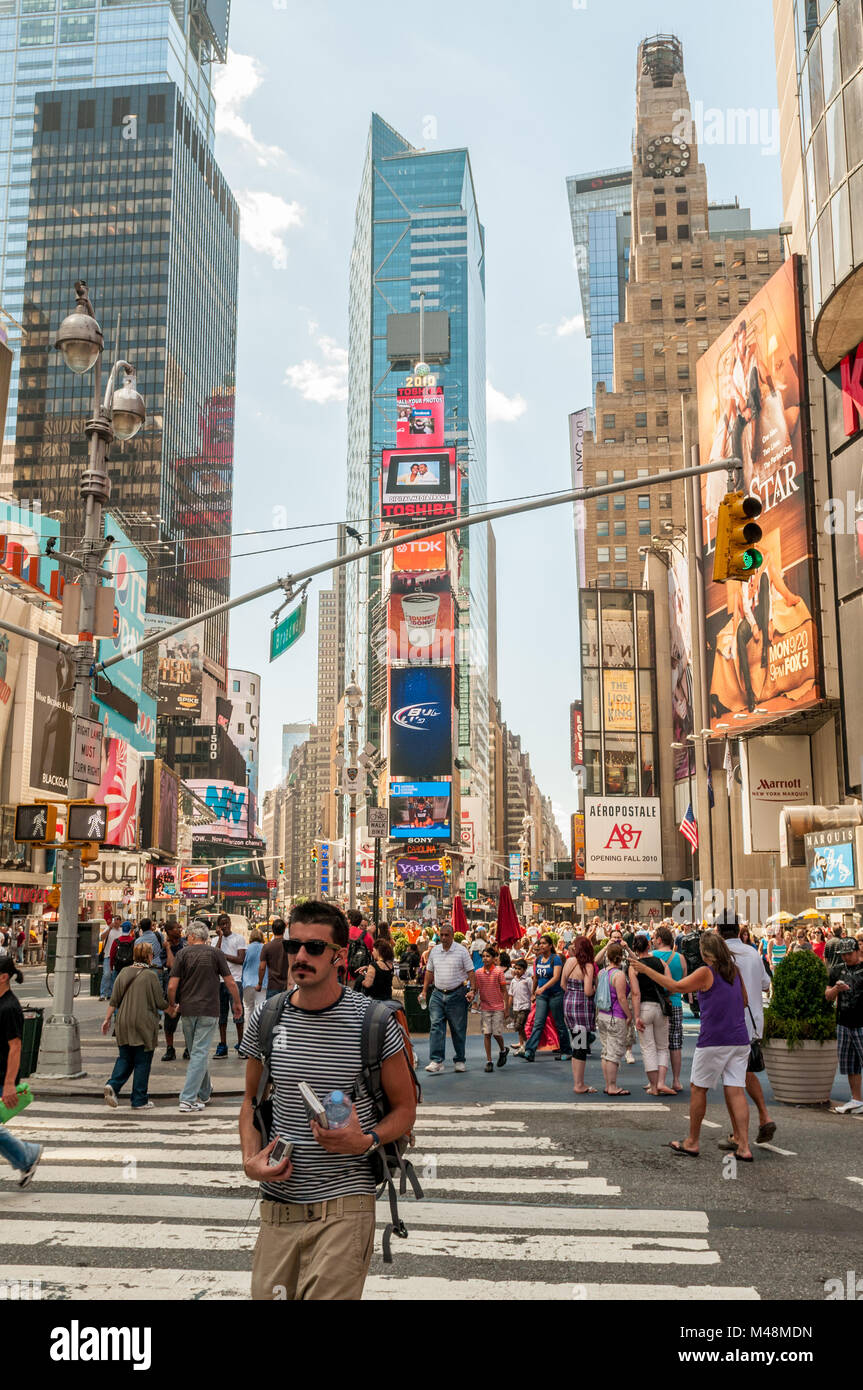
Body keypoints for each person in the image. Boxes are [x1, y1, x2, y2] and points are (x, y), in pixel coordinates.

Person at [239, 901, 416, 1301]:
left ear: (339, 956)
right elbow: (251, 1101)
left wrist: (366, 1140)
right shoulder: (267, 1017)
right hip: (278, 1206)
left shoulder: (372, 1021)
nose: (300, 956)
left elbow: (405, 1110)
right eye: (292, 945)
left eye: (314, 948)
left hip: (346, 1203)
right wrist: (251, 1160)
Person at [629, 932, 753, 1160]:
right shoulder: (734, 971)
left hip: (714, 1040)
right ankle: (744, 1146)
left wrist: (646, 970)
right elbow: (744, 1000)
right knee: (736, 1090)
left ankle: (692, 1141)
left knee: (698, 1088)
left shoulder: (706, 972)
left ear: (705, 953)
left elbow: (675, 986)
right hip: (739, 1038)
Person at [715, 912, 776, 1147]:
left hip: (731, 1024)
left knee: (733, 1080)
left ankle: (739, 1135)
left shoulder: (722, 956)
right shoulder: (751, 951)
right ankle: (763, 1116)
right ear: (738, 929)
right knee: (745, 1073)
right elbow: (765, 983)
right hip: (754, 1022)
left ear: (719, 930)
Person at [167, 922, 242, 1113]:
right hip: (209, 1009)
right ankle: (195, 1095)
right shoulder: (215, 953)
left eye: (187, 936)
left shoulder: (183, 954)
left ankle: (194, 1095)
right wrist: (237, 1002)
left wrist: (172, 1004)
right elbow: (230, 981)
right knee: (198, 1053)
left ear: (192, 936)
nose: (186, 938)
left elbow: (172, 986)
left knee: (196, 1052)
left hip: (188, 1009)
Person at [103, 941, 177, 1111]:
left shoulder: (123, 972)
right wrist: (172, 1010)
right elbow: (160, 1002)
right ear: (148, 956)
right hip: (143, 1022)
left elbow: (114, 1000)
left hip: (123, 1021)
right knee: (142, 1061)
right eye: (151, 954)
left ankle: (113, 1084)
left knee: (125, 1057)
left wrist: (107, 1020)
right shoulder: (150, 975)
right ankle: (139, 1099)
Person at [0, 955, 42, 1187]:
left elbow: (15, 1047)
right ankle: (27, 1156)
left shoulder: (10, 1007)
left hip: (2, 1075)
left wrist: (9, 1084)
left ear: (3, 977)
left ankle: (27, 1156)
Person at [421, 923, 476, 1075]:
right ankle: (437, 1060)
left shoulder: (461, 951)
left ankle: (459, 1060)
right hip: (437, 994)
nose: (444, 938)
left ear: (452, 936)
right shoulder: (435, 951)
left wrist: (472, 990)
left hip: (457, 993)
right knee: (436, 1026)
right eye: (442, 935)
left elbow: (471, 972)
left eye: (447, 935)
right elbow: (429, 972)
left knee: (458, 1028)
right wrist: (424, 991)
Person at [628, 933, 675, 1096]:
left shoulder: (634, 966)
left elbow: (635, 993)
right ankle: (661, 1082)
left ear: (634, 948)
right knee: (662, 1047)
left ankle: (654, 1086)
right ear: (649, 946)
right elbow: (670, 985)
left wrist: (636, 1016)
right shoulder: (660, 962)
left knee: (648, 1048)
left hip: (644, 1007)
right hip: (660, 1007)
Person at [520, 934, 572, 1065]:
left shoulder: (556, 959)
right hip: (542, 996)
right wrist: (533, 993)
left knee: (559, 1023)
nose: (541, 945)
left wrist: (542, 989)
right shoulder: (538, 960)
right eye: (540, 943)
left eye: (543, 943)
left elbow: (556, 977)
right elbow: (536, 978)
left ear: (550, 945)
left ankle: (567, 1051)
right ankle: (530, 1051)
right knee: (538, 1023)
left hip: (555, 994)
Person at [826, 938, 863, 1115]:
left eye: (849, 953)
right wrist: (836, 990)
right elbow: (827, 996)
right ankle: (856, 1099)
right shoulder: (837, 970)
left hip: (861, 1022)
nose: (847, 957)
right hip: (843, 1022)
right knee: (850, 1064)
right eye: (843, 954)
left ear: (858, 951)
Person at [595, 942, 634, 1096]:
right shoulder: (619, 975)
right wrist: (629, 1015)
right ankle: (612, 1086)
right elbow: (621, 997)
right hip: (615, 1015)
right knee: (614, 1053)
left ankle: (607, 1084)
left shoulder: (602, 972)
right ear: (621, 957)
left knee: (606, 1051)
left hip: (603, 1014)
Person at [561, 936, 597, 1094]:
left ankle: (578, 1081)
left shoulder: (569, 962)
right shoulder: (587, 966)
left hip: (568, 1004)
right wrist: (595, 989)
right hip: (582, 1007)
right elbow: (588, 991)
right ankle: (579, 1084)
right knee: (580, 1046)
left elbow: (563, 984)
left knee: (576, 1043)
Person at [652, 925, 686, 1092]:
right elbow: (683, 981)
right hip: (676, 1003)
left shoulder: (651, 956)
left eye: (654, 937)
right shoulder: (680, 958)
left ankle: (656, 1081)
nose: (652, 940)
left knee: (657, 1044)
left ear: (659, 940)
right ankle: (677, 1080)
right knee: (675, 1043)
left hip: (656, 1003)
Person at [215, 914, 246, 1057]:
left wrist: (223, 955)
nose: (225, 926)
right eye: (222, 924)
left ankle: (241, 1044)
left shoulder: (238, 939)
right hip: (220, 982)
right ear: (218, 926)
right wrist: (220, 938)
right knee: (221, 1016)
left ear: (230, 923)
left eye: (227, 923)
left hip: (235, 980)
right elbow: (214, 957)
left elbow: (240, 959)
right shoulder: (216, 940)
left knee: (238, 1014)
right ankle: (223, 1045)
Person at [474, 946, 509, 1073]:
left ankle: (503, 1050)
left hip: (498, 1007)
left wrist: (506, 1008)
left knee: (497, 1033)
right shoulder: (478, 973)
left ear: (494, 959)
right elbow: (476, 989)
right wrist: (474, 1000)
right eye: (483, 956)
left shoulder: (499, 972)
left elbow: (504, 991)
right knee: (487, 1033)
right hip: (485, 1007)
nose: (485, 958)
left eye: (488, 956)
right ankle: (489, 1061)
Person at [161, 922, 187, 1062]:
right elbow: (171, 964)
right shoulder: (165, 947)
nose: (180, 929)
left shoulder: (185, 944)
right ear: (169, 931)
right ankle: (170, 1049)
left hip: (186, 986)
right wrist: (169, 948)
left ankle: (188, 1047)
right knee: (170, 1020)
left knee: (188, 1020)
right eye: (177, 928)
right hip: (172, 988)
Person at [675, 921, 703, 1017]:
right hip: (696, 965)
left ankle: (694, 1006)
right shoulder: (681, 937)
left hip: (690, 965)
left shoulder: (687, 939)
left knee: (692, 987)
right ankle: (696, 1006)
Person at [259, 919, 289, 1000]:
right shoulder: (289, 946)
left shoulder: (267, 947)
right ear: (284, 930)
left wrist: (260, 983)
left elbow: (262, 967)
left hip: (272, 986)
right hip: (286, 986)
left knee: (271, 1011)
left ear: (272, 930)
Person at [242, 930, 267, 1023]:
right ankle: (258, 1033)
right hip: (262, 982)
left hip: (247, 982)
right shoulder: (264, 948)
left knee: (248, 1008)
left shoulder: (247, 949)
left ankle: (247, 1032)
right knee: (260, 1009)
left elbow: (243, 965)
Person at [509, 958, 533, 1054]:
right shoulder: (513, 981)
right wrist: (508, 1006)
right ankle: (522, 1045)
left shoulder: (527, 980)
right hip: (516, 1007)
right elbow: (511, 994)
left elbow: (532, 992)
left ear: (524, 970)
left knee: (519, 1026)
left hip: (525, 1006)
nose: (517, 971)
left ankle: (527, 1043)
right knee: (520, 1028)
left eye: (519, 969)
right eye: (515, 968)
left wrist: (532, 1001)